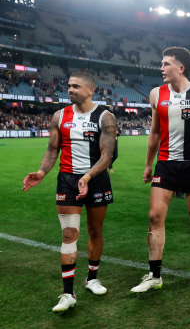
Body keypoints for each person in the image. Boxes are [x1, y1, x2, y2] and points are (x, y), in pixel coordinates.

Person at [22, 72, 117, 312]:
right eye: (69, 85)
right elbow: (52, 150)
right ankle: (68, 293)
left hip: (95, 179)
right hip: (67, 181)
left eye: (76, 86)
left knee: (95, 230)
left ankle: (92, 278)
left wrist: (87, 177)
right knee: (69, 234)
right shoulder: (59, 116)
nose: (70, 89)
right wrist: (41, 173)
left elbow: (107, 155)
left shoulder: (105, 117)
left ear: (90, 90)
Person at [131, 47, 190, 293]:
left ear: (181, 68)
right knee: (155, 216)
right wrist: (148, 163)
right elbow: (155, 131)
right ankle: (154, 274)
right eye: (161, 63)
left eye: (166, 63)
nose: (161, 67)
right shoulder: (157, 94)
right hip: (166, 164)